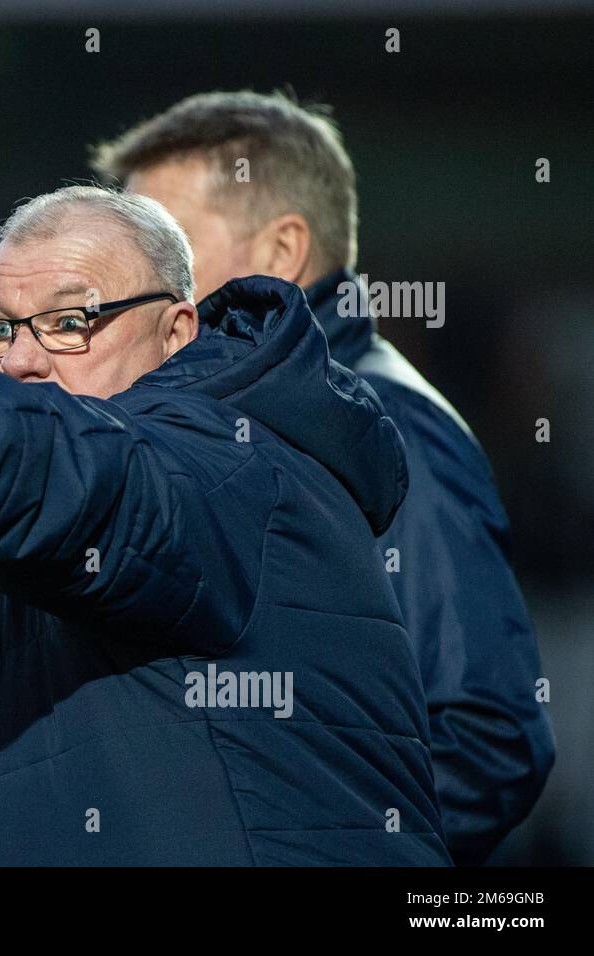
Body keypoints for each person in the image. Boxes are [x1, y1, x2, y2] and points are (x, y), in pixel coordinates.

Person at [0, 185, 450, 865]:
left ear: (176, 333)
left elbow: (76, 469)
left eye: (69, 322)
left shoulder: (234, 474)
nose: (19, 360)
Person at [93, 90, 554, 865]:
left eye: (164, 249)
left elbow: (488, 731)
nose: (131, 282)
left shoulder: (387, 428)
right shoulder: (237, 423)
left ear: (283, 252)